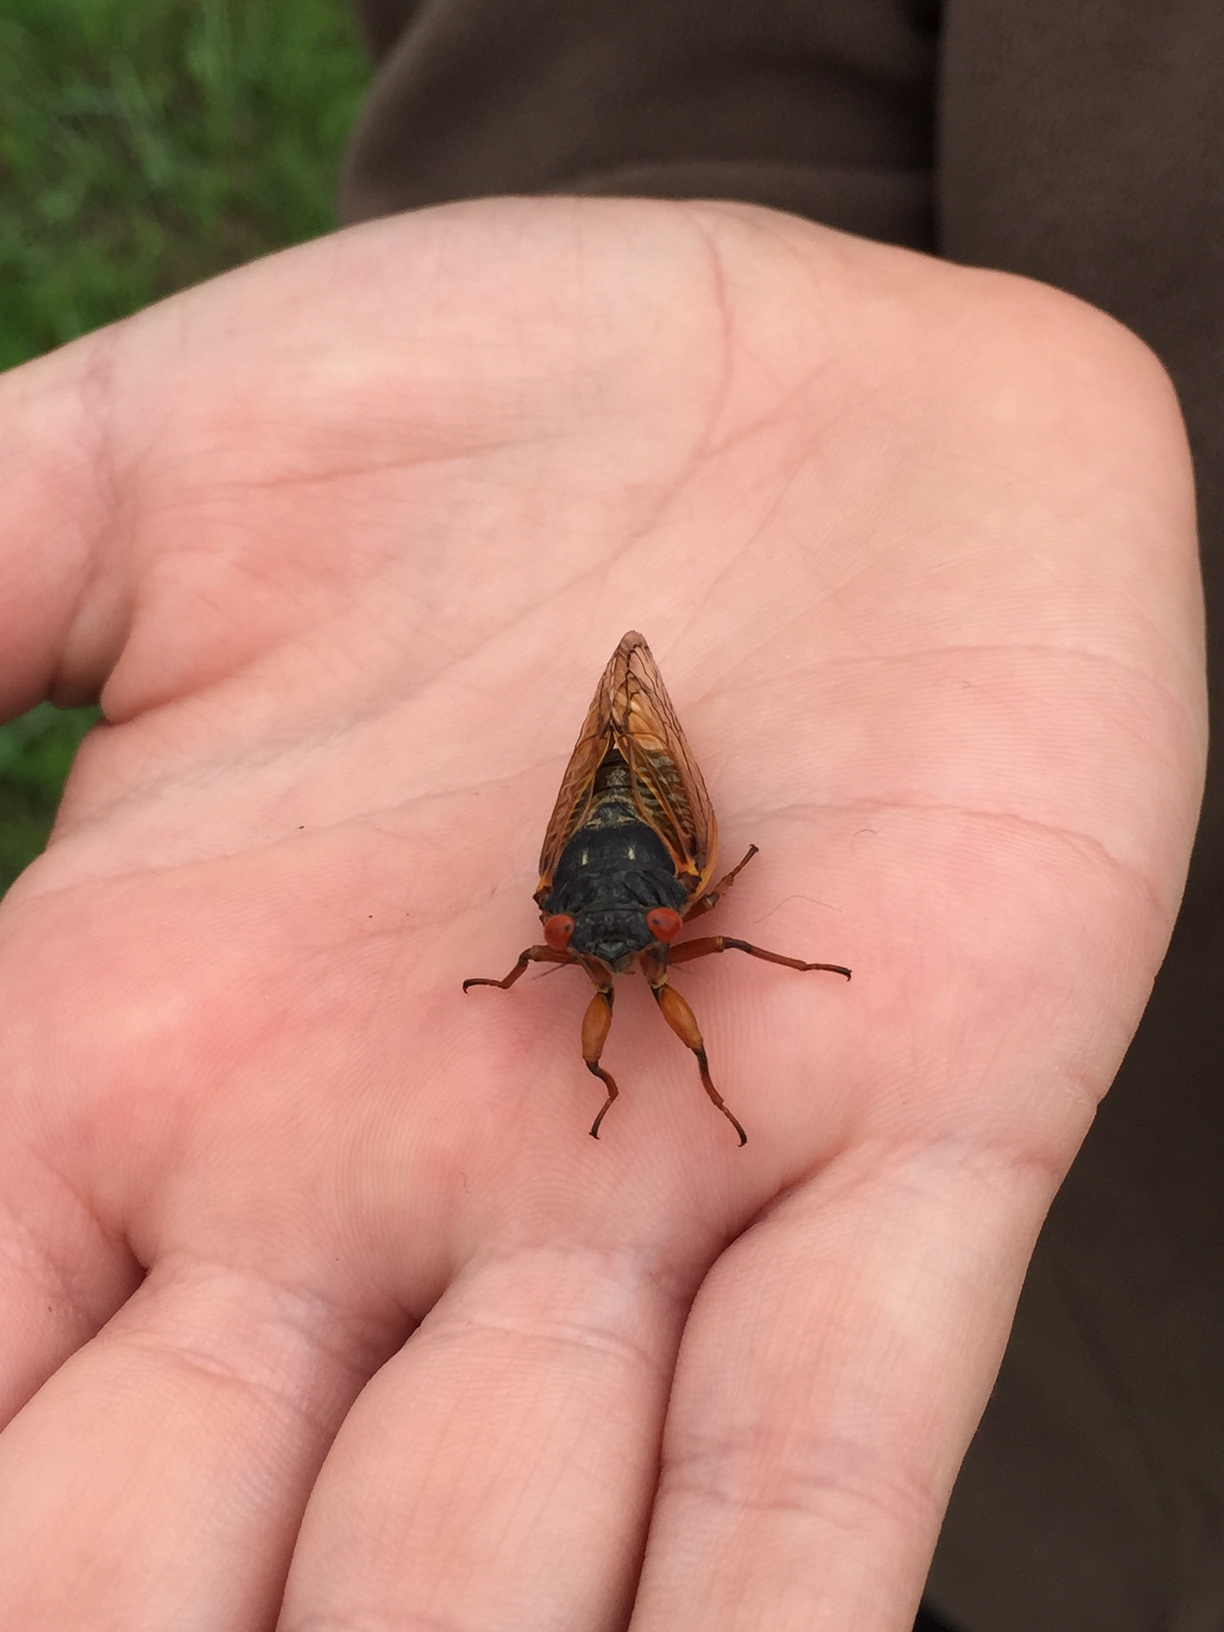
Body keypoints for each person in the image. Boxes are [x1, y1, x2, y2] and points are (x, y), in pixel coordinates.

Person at [0, 3, 1215, 1628]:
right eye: (588, 945)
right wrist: (645, 190)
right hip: (1081, 1431)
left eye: (612, 943)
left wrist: (709, 950)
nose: (612, 958)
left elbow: (710, 939)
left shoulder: (660, 932)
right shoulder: (600, 938)